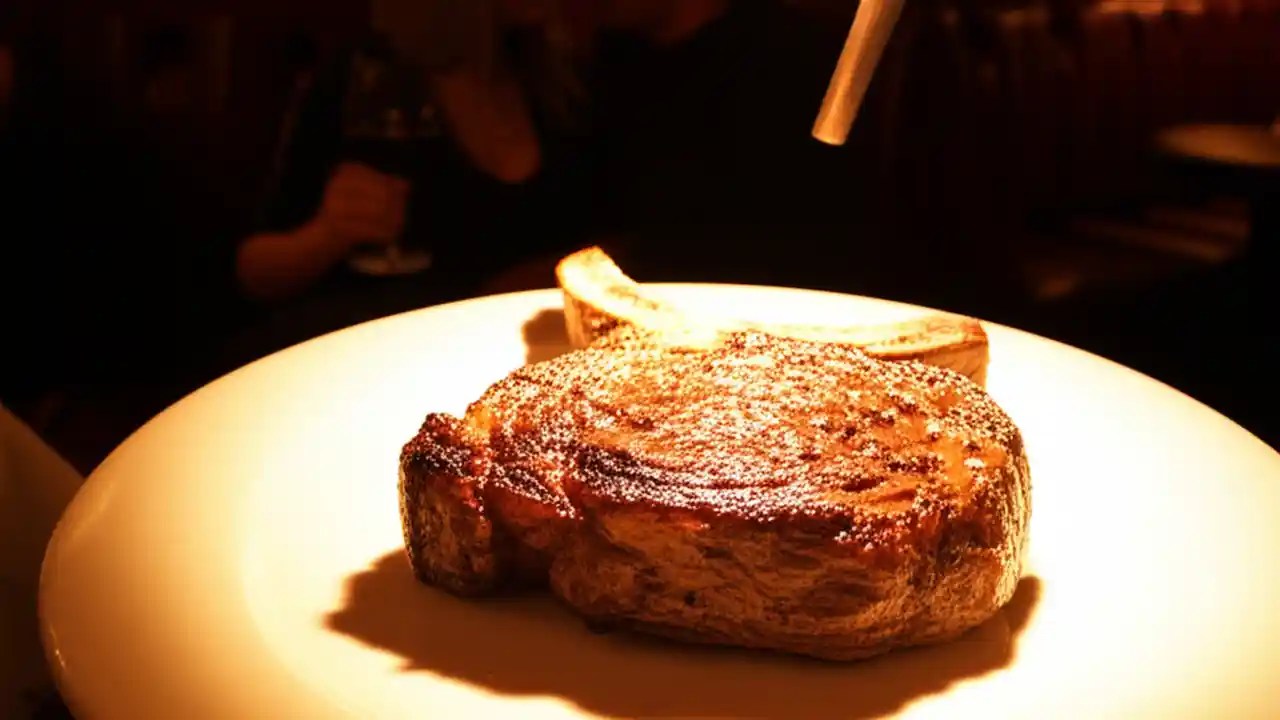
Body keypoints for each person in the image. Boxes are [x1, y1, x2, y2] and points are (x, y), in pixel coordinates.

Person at [234, 0, 589, 308]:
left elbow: (603, 242)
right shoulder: (365, 75)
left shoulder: (557, 82)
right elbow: (253, 272)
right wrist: (327, 235)